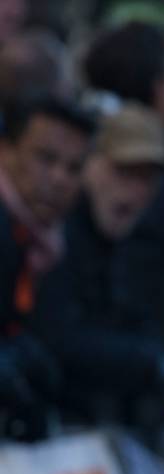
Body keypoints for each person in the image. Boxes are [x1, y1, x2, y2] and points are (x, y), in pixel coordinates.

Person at [32, 104, 164, 442]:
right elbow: (56, 337)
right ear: (91, 166)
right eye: (124, 172)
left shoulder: (141, 242)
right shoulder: (58, 230)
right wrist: (148, 362)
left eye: (148, 179)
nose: (136, 191)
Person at [0, 95, 92, 440]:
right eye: (45, 159)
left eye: (73, 168)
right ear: (6, 151)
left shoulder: (48, 242)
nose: (59, 179)